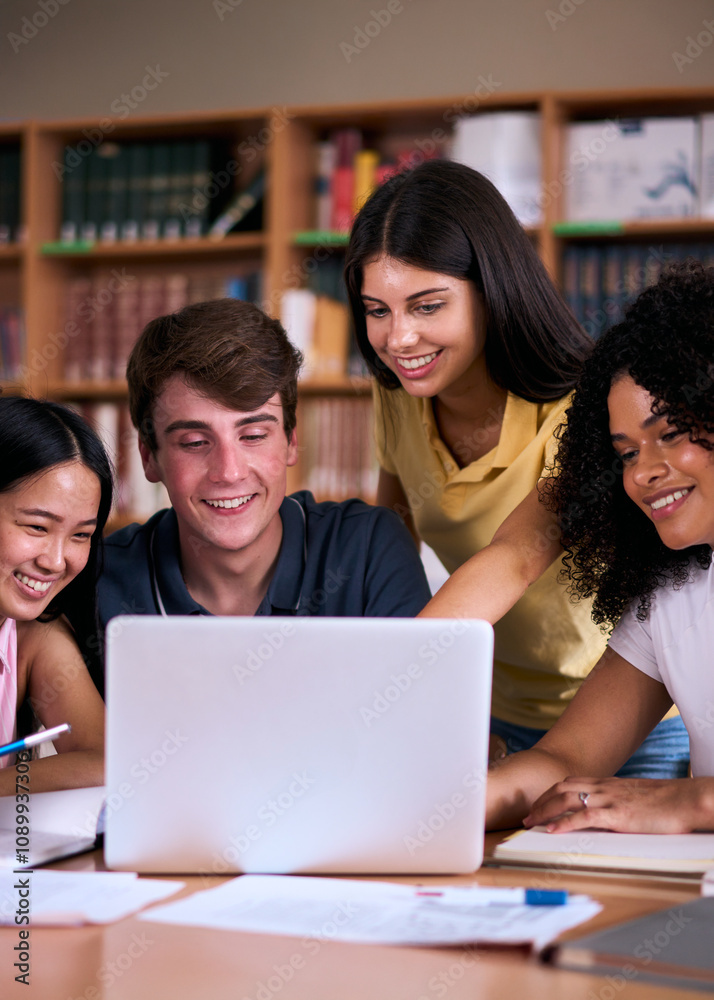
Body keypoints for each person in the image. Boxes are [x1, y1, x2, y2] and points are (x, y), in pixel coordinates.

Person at [344, 158, 688, 777]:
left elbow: (519, 554)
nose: (398, 339)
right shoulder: (397, 393)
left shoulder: (584, 405)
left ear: (492, 288)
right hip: (491, 713)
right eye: (377, 310)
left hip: (623, 721)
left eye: (427, 306)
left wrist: (383, 678)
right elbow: (391, 536)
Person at [487, 260, 714, 833]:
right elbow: (564, 761)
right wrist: (446, 805)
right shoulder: (670, 594)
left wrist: (693, 801)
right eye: (627, 453)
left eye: (669, 435)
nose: (644, 473)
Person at [97, 298, 431, 629]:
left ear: (291, 441)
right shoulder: (98, 580)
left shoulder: (369, 551)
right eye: (195, 443)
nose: (229, 472)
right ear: (148, 457)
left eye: (254, 436)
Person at [0, 395, 111, 795]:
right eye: (37, 527)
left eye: (81, 535)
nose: (56, 561)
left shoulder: (32, 634)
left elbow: (105, 762)